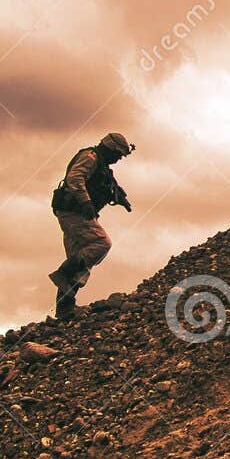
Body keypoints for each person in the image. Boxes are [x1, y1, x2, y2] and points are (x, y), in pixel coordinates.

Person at [49, 133, 134, 319]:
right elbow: (74, 179)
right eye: (118, 154)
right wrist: (86, 202)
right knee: (101, 243)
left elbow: (107, 186)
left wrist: (121, 200)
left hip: (75, 211)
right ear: (110, 148)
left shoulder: (102, 165)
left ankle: (64, 308)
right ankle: (63, 273)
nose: (118, 159)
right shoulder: (91, 157)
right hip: (74, 211)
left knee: (79, 257)